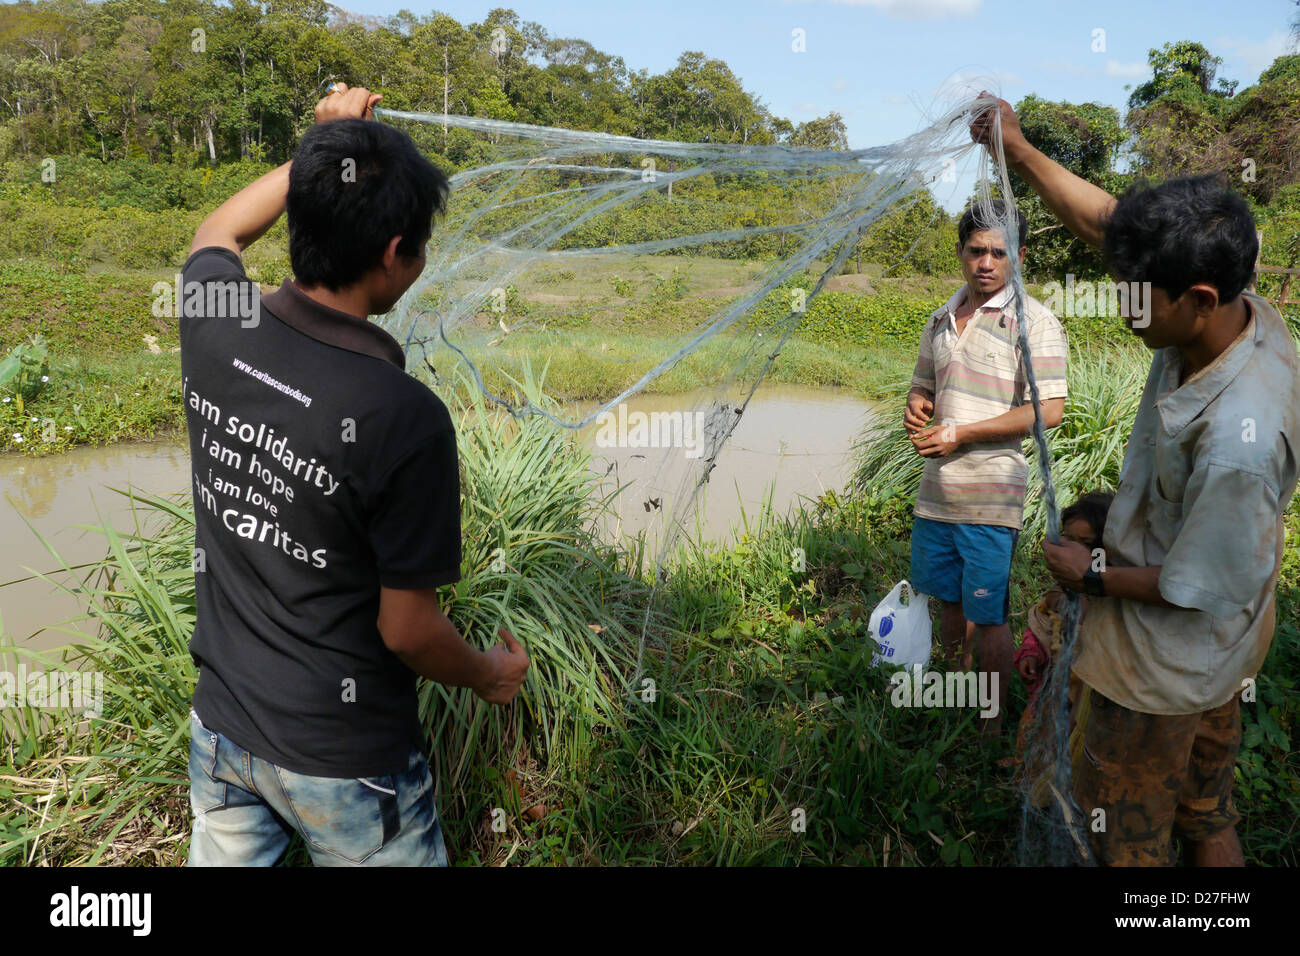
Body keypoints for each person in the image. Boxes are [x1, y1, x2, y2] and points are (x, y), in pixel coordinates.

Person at [180, 83, 530, 866]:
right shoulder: (402, 415)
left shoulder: (216, 324)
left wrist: (321, 143)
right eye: (421, 247)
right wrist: (488, 674)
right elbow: (405, 631)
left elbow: (220, 227)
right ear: (392, 255)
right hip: (348, 767)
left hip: (222, 730)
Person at [972, 94, 1300, 866]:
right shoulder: (1225, 293)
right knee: (1207, 815)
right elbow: (1108, 223)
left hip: (1163, 670)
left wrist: (1088, 573)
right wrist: (1016, 151)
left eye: (1133, 298)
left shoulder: (1237, 446)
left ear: (1198, 302)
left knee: (1126, 842)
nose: (1118, 304)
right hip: (1223, 657)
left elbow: (1197, 585)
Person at [905, 199, 1068, 734]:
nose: (986, 263)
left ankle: (992, 723)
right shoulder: (941, 317)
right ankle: (956, 693)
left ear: (1017, 256)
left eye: (999, 252)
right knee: (947, 604)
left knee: (988, 614)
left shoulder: (1034, 321)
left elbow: (1051, 410)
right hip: (938, 492)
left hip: (992, 495)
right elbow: (924, 382)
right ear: (961, 253)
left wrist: (963, 433)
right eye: (976, 251)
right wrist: (918, 403)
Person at [1012, 492, 1112, 787]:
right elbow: (1041, 627)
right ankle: (1027, 781)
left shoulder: (1112, 604)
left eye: (1086, 544)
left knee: (1077, 757)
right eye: (1067, 539)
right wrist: (1031, 653)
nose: (1073, 550)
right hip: (1053, 693)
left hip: (1090, 707)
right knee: (1038, 737)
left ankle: (1064, 798)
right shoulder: (1060, 596)